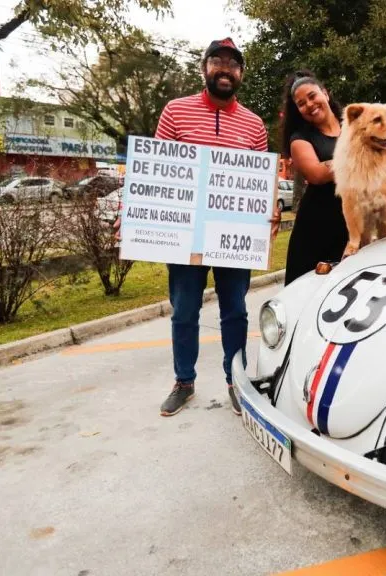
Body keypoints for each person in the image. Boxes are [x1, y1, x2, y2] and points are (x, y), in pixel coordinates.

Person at [115, 38, 280, 417]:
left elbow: (261, 184)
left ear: (240, 73)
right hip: (185, 236)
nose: (225, 69)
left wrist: (268, 212)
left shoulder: (254, 125)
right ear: (204, 67)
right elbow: (158, 171)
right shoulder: (176, 112)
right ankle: (184, 382)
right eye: (217, 61)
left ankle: (236, 381)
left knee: (235, 311)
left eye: (233, 64)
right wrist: (134, 212)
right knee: (184, 311)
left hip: (233, 237)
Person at [279, 71, 349, 286]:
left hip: (352, 225)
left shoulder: (353, 126)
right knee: (304, 292)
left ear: (325, 93)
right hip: (315, 228)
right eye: (301, 103)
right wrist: (360, 158)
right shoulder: (299, 139)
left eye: (312, 96)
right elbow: (317, 174)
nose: (309, 105)